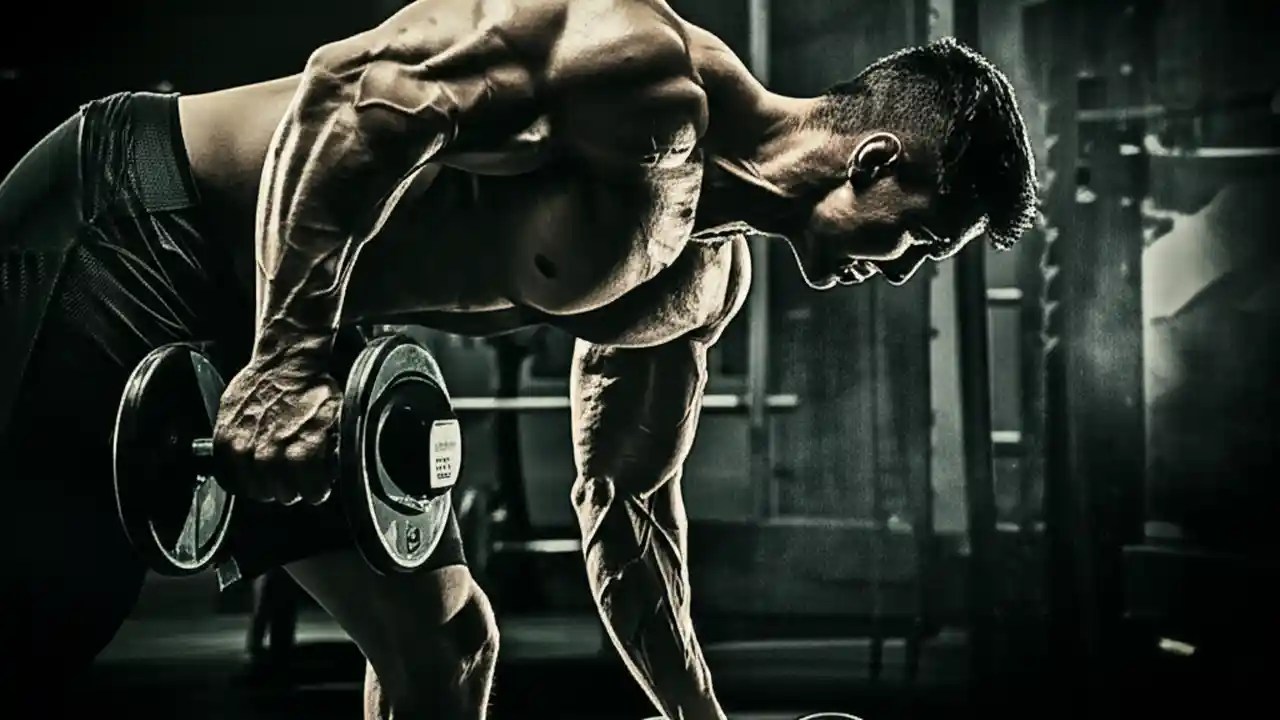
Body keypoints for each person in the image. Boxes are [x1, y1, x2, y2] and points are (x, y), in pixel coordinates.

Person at [0, 0, 1036, 718]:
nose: (902, 273)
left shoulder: (698, 284)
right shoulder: (634, 65)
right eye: (919, 240)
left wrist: (692, 712)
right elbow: (347, 96)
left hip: (290, 317)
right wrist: (284, 361)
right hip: (142, 212)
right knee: (47, 608)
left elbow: (626, 508)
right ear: (873, 161)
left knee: (446, 649)